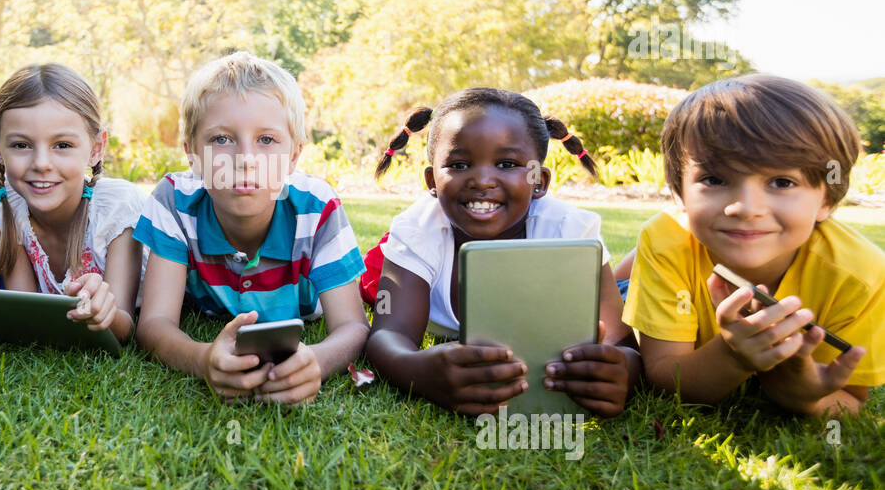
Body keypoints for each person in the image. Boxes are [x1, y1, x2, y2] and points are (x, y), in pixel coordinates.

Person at [364, 88, 640, 418]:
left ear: (539, 181)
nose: (482, 180)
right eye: (459, 164)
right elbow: (388, 336)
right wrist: (416, 370)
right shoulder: (417, 229)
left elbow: (624, 346)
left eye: (507, 164)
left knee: (626, 291)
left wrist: (622, 370)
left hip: (609, 286)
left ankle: (635, 265)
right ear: (431, 181)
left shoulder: (569, 230)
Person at [624, 74, 883, 416]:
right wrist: (732, 355)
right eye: (714, 179)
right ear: (678, 193)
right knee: (613, 289)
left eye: (781, 181)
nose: (745, 208)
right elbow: (662, 377)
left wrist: (804, 397)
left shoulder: (863, 275)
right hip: (653, 274)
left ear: (827, 200)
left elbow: (850, 398)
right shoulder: (664, 239)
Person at [133, 52, 369, 406]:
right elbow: (153, 324)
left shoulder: (317, 207)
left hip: (305, 312)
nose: (245, 159)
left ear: (294, 155)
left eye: (267, 140)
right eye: (222, 140)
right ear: (192, 155)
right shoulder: (173, 202)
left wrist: (314, 362)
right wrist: (203, 360)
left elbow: (352, 326)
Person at [0, 64, 144, 345]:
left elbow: (124, 328)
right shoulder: (6, 199)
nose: (41, 164)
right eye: (21, 145)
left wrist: (104, 313)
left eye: (62, 145)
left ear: (97, 148)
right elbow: (24, 309)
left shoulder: (117, 207)